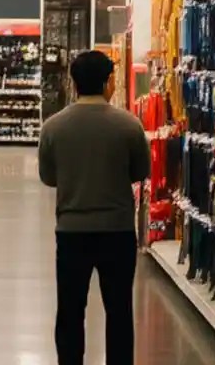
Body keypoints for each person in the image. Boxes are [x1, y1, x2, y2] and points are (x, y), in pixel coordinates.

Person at [38, 50, 152, 365]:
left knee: (70, 310)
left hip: (72, 233)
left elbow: (48, 177)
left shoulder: (53, 127)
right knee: (118, 311)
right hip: (117, 232)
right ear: (107, 82)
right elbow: (141, 171)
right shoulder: (128, 126)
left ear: (73, 83)